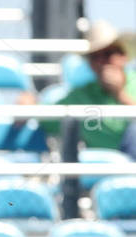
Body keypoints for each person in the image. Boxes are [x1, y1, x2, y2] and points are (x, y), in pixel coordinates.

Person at [46, 21, 136, 155]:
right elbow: (46, 120)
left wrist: (120, 94)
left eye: (108, 54)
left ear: (123, 56)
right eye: (95, 56)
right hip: (103, 168)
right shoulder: (80, 95)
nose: (102, 62)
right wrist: (28, 100)